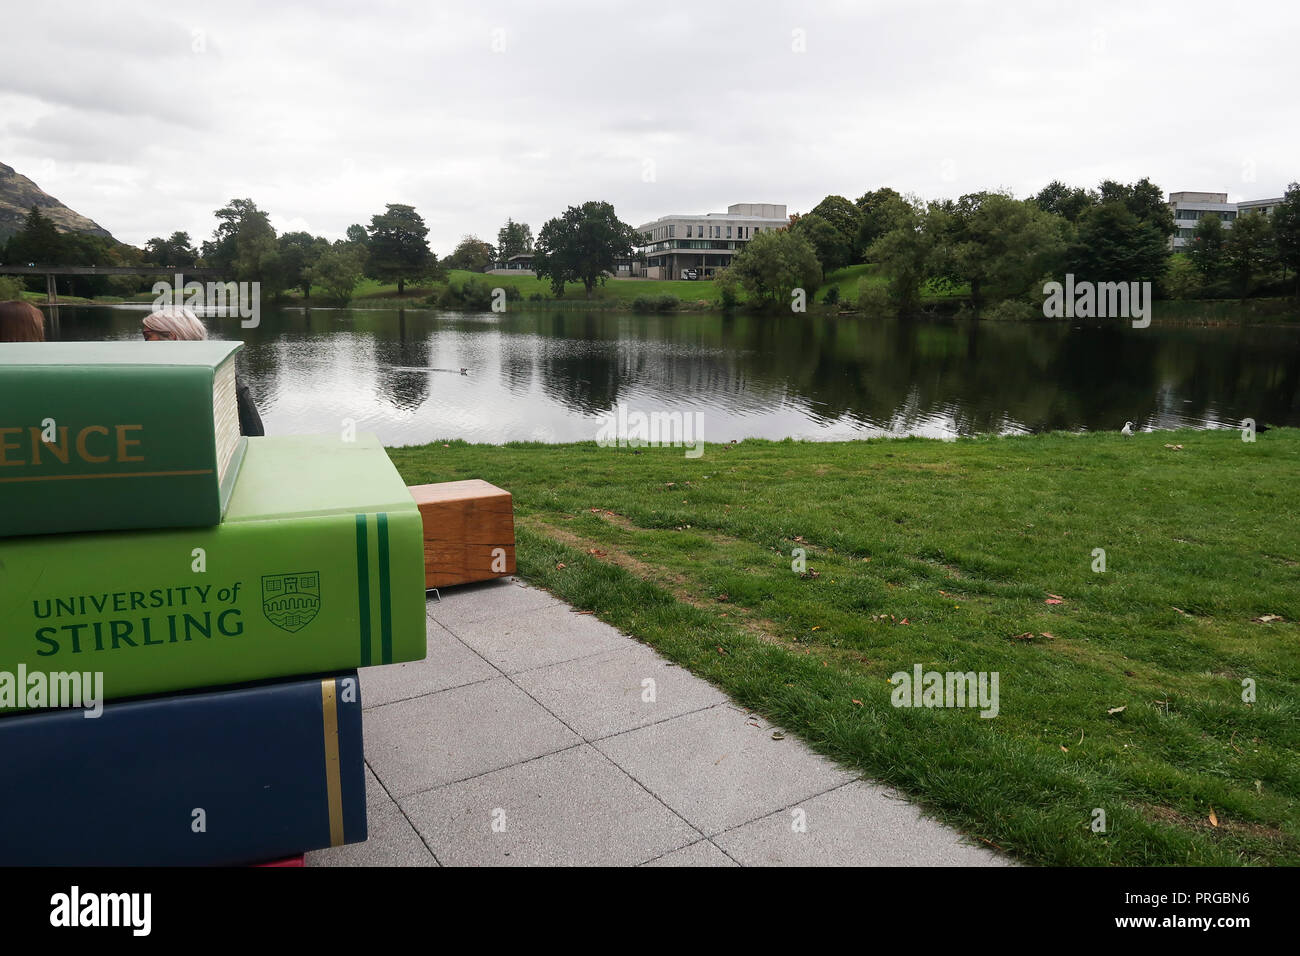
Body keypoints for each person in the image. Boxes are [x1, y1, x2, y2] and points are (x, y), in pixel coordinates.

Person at [141, 308, 265, 436]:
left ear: (172, 337)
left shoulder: (162, 379)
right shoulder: (221, 372)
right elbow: (255, 431)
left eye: (147, 336)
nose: (143, 344)